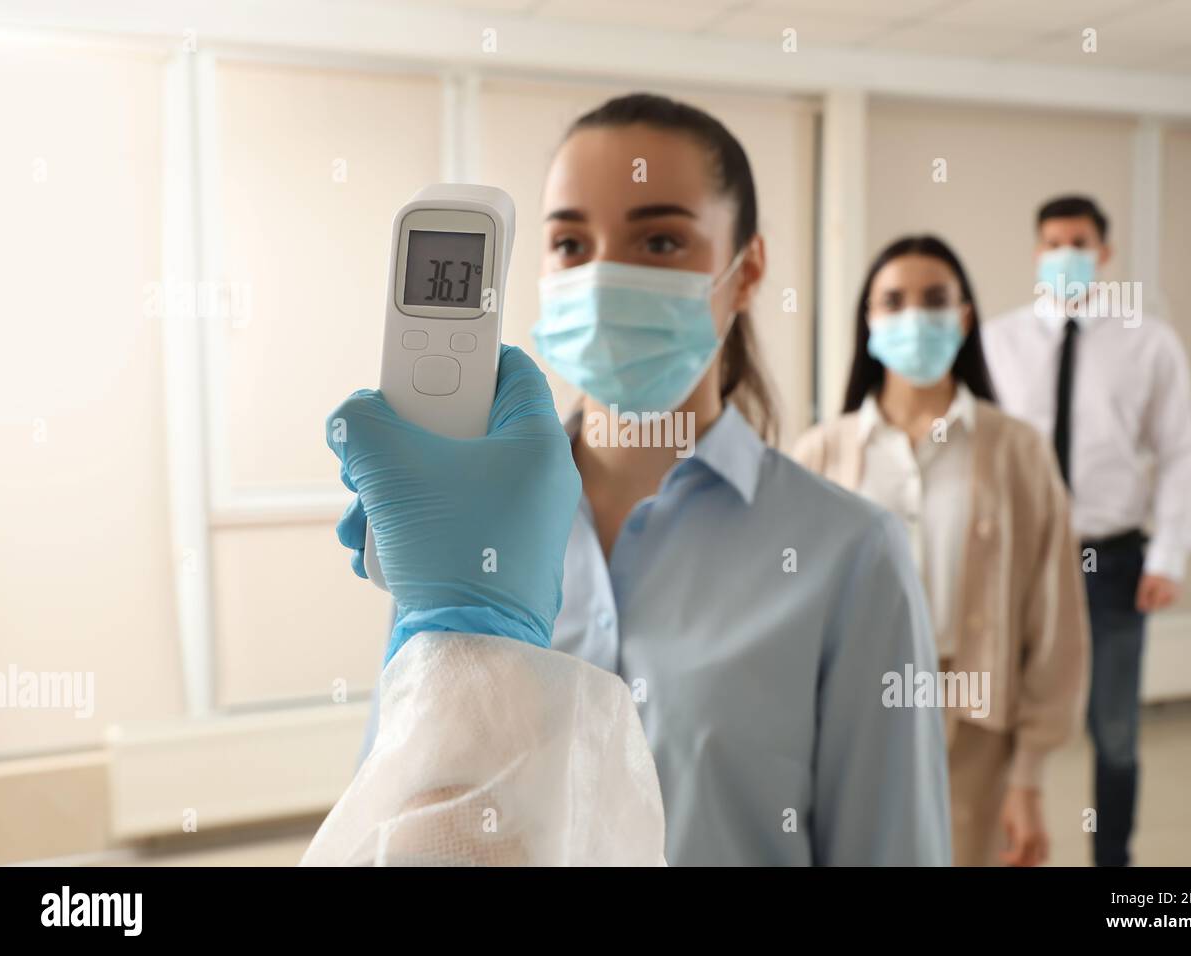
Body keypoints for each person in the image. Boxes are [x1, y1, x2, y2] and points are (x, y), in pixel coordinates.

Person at [345, 93, 952, 865]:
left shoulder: (850, 555)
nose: (603, 278)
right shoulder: (467, 545)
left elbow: (891, 846)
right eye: (570, 243)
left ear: (747, 269)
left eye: (660, 239)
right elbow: (392, 821)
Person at [793, 235, 1088, 866]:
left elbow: (1054, 615)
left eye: (934, 300)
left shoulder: (1018, 451)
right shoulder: (820, 452)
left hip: (976, 731)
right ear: (867, 322)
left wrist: (1029, 776)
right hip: (847, 724)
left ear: (964, 317)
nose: (914, 317)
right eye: (893, 302)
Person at [308, 346, 666, 866]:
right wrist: (453, 654)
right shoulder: (434, 555)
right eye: (570, 254)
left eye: (658, 255)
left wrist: (463, 658)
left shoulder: (822, 540)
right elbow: (396, 810)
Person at [983, 195, 1191, 866]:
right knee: (998, 722)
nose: (1063, 254)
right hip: (1018, 558)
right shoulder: (998, 340)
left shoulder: (1148, 340)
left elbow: (1179, 450)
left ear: (1103, 253)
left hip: (1111, 560)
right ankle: (1005, 847)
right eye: (1051, 243)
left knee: (1114, 730)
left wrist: (1169, 554)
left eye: (1076, 242)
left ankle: (1115, 866)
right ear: (1035, 253)